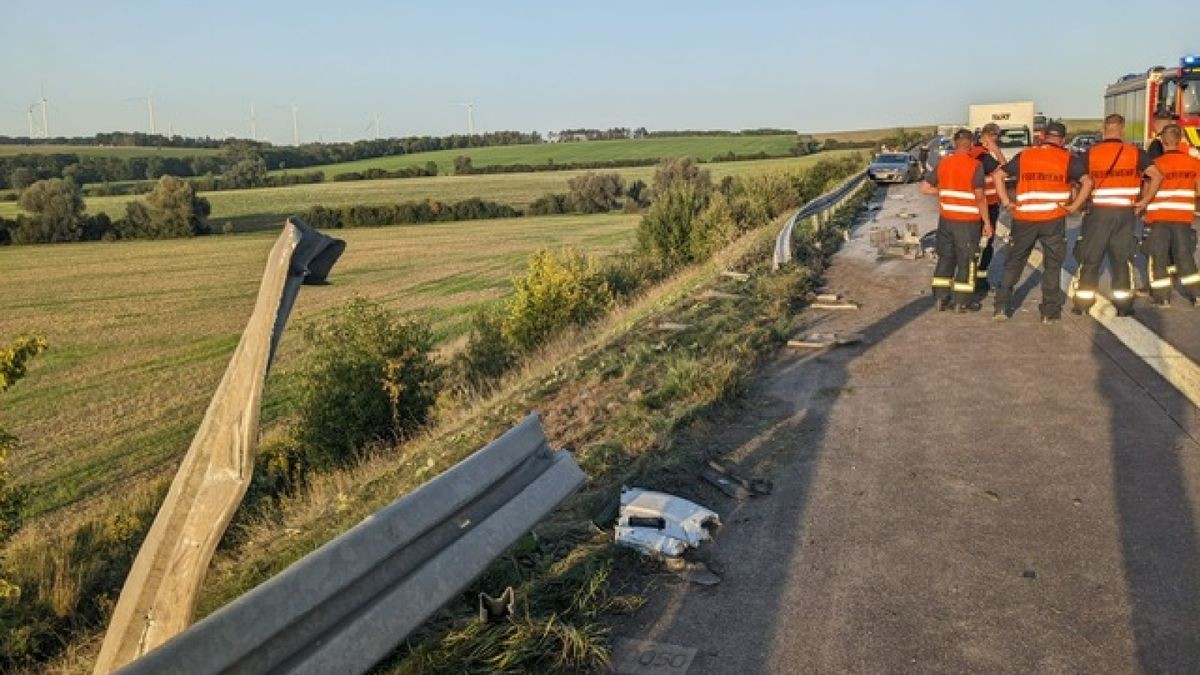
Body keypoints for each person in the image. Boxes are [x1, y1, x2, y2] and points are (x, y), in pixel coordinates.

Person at [991, 121, 1090, 323]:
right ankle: (1049, 312)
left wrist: (1007, 202)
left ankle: (1001, 306)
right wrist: (1074, 207)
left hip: (1024, 218)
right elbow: (1087, 182)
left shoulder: (1026, 155)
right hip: (1052, 219)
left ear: (1043, 136)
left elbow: (998, 175)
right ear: (1063, 140)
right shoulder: (1067, 159)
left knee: (1014, 261)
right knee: (1052, 265)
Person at [1070, 114, 1162, 316]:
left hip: (1098, 213)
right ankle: (1123, 306)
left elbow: (1076, 179)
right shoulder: (1135, 153)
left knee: (1091, 259)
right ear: (1123, 130)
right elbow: (1156, 176)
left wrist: (1078, 204)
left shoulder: (1091, 153)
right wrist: (1144, 202)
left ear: (1103, 130)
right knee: (1122, 260)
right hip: (1125, 213)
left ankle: (1082, 305)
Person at [920, 128, 994, 312]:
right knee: (966, 261)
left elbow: (925, 188)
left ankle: (940, 298)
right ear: (971, 145)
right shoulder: (975, 166)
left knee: (945, 258)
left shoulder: (944, 163)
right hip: (967, 223)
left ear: (954, 144)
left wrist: (945, 191)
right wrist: (987, 222)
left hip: (946, 220)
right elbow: (980, 197)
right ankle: (962, 301)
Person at [1141, 124, 1200, 306]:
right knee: (1185, 256)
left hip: (1158, 217)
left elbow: (1147, 190)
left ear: (1162, 142)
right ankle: (1196, 294)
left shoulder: (1156, 164)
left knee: (1159, 257)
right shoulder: (1193, 163)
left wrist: (1143, 209)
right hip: (1183, 217)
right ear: (1180, 140)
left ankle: (1163, 298)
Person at [968, 123, 1007, 294]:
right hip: (987, 205)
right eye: (996, 137)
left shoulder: (971, 152)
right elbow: (1005, 169)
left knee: (973, 244)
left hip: (972, 206)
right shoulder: (983, 156)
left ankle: (971, 278)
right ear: (990, 136)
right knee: (986, 245)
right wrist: (996, 151)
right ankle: (980, 281)